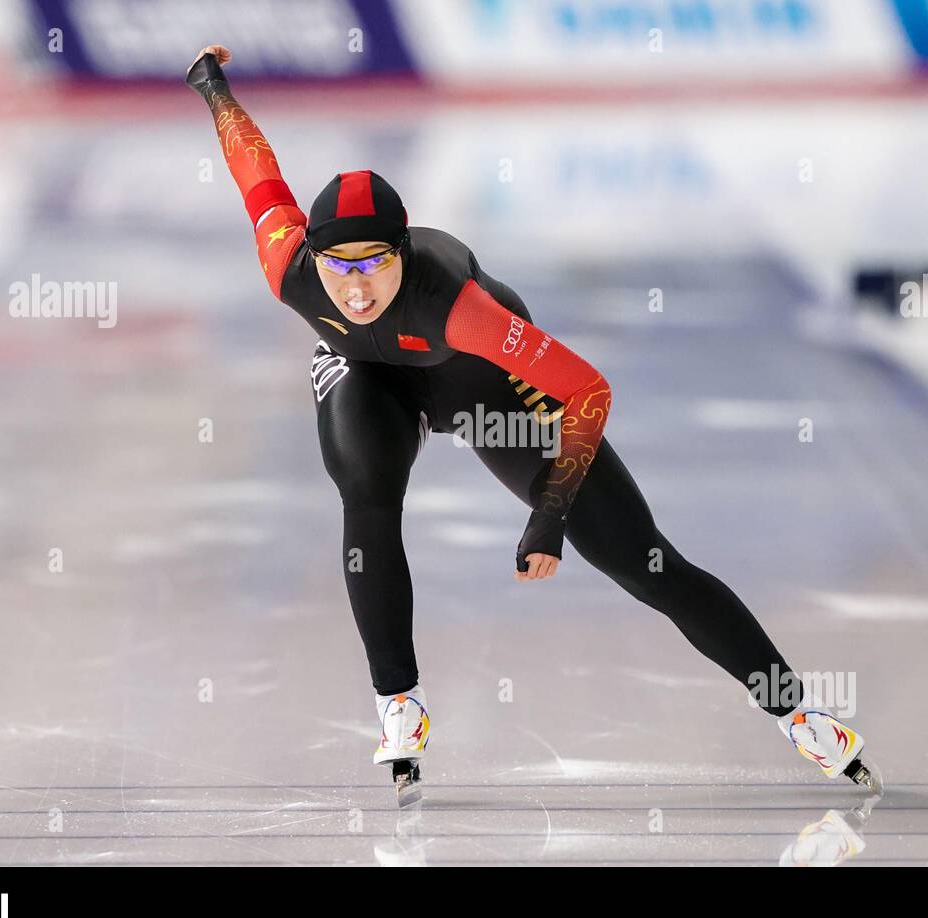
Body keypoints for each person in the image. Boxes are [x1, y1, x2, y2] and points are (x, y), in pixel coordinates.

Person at [185, 45, 880, 799]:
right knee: (367, 493)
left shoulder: (461, 308)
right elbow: (256, 170)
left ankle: (800, 714)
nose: (355, 289)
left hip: (486, 394)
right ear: (311, 257)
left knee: (642, 561)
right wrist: (214, 87)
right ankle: (399, 705)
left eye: (375, 263)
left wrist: (550, 514)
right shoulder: (288, 264)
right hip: (374, 381)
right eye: (338, 267)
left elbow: (588, 388)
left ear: (404, 249)